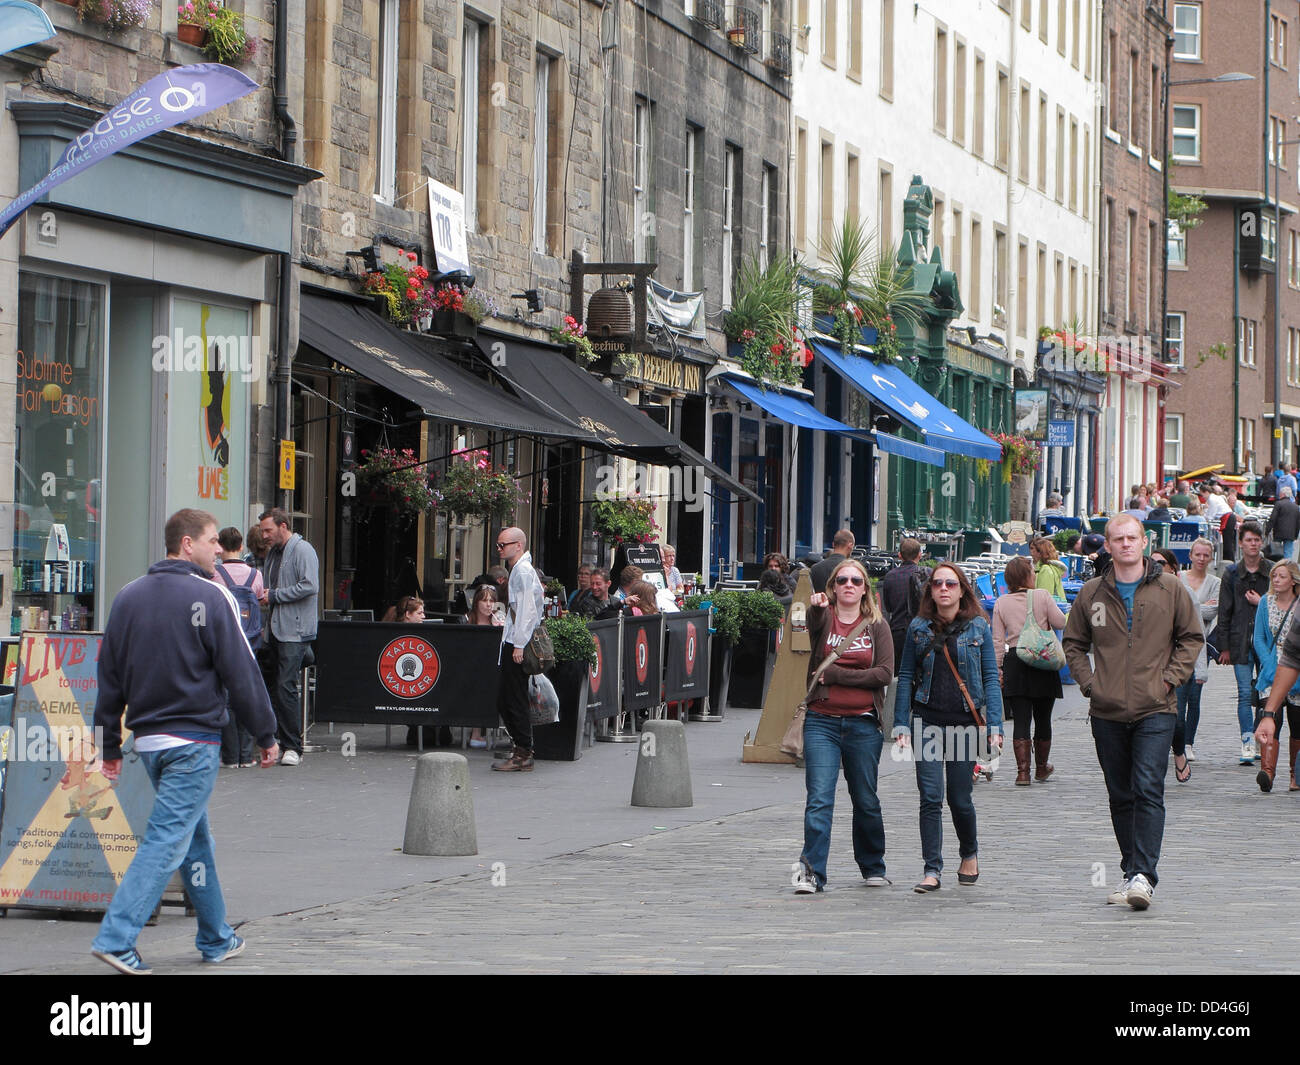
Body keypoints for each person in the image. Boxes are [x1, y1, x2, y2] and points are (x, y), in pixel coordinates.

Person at [90, 508, 278, 974]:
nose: (219, 548)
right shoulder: (212, 597)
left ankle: (216, 937)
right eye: (212, 540)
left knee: (194, 840)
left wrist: (109, 746)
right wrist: (267, 734)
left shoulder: (127, 597)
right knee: (167, 840)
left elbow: (109, 677)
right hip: (193, 742)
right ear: (186, 544)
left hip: (151, 744)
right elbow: (241, 670)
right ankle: (117, 938)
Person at [1062, 514, 1203, 911]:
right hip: (1106, 709)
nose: (1125, 544)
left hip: (1156, 706)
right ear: (1107, 546)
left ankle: (1144, 875)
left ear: (1144, 542)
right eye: (1117, 539)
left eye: (1131, 538)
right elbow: (1073, 643)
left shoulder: (1169, 588)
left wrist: (1170, 679)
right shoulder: (1092, 592)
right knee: (1120, 793)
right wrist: (1090, 684)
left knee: (1147, 787)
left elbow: (1191, 637)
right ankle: (1131, 871)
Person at [893, 564, 1003, 893]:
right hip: (927, 721)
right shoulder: (918, 628)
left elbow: (989, 679)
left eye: (950, 584)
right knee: (930, 797)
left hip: (963, 724)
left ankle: (969, 853)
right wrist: (901, 722)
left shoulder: (978, 628)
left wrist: (994, 724)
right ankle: (931, 869)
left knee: (959, 798)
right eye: (937, 583)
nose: (943, 588)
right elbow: (906, 678)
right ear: (930, 591)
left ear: (961, 590)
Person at [792, 558, 895, 894]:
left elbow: (883, 674)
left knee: (865, 798)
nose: (849, 585)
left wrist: (837, 676)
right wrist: (817, 607)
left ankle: (872, 865)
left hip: (864, 723)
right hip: (821, 721)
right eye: (842, 580)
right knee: (819, 799)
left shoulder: (877, 625)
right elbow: (813, 621)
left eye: (856, 580)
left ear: (865, 588)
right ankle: (811, 872)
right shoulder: (825, 618)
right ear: (833, 587)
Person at [992, 556, 1067, 787]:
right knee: (1043, 719)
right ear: (1027, 576)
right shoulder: (1042, 596)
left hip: (1016, 661)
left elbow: (997, 640)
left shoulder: (1000, 603)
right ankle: (1041, 768)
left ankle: (1022, 772)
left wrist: (998, 669)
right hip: (1042, 660)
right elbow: (1060, 623)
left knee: (1021, 720)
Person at [257, 507, 319, 767]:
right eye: (262, 532)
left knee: (285, 686)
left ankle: (293, 746)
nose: (264, 536)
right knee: (272, 685)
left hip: (294, 630)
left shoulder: (303, 550)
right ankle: (276, 741)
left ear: (283, 526)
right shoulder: (273, 553)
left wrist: (274, 595)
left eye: (268, 530)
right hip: (275, 630)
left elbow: (310, 585)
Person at [1219, 520, 1272, 764]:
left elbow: (1280, 605)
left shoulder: (1271, 571)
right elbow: (1224, 611)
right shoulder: (1231, 574)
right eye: (1248, 540)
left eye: (1256, 540)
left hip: (1266, 644)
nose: (1253, 544)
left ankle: (1261, 739)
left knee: (1264, 694)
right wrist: (1225, 647)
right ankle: (1247, 741)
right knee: (1243, 694)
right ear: (1241, 543)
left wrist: (1260, 601)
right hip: (1239, 641)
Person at [211, 527, 265, 769]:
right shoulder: (256, 575)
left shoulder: (214, 574)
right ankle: (247, 755)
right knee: (246, 695)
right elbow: (260, 601)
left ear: (219, 547)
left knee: (227, 698)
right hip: (250, 643)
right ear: (241, 546)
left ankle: (230, 756)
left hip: (224, 642)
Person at [491, 526, 544, 772]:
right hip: (513, 639)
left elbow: (526, 610)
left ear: (518, 545)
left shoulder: (522, 571)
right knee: (508, 698)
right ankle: (522, 749)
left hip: (516, 641)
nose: (499, 549)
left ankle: (523, 751)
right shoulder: (521, 570)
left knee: (513, 698)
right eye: (499, 544)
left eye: (503, 545)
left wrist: (519, 644)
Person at [1251, 560, 1300, 792]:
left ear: (1293, 580)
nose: (1276, 580)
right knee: (1272, 717)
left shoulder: (1299, 604)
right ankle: (1267, 772)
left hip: (1296, 666)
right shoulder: (1265, 602)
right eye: (1274, 576)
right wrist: (1269, 664)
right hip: (1272, 666)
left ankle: (1295, 774)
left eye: (1281, 576)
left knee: (1297, 723)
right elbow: (1258, 638)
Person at [1176, 538, 1219, 766]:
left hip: (1201, 648)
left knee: (1195, 696)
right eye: (1198, 554)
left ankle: (1189, 742)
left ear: (1211, 557)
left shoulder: (1215, 582)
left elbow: (1213, 612)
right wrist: (1198, 608)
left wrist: (1190, 606)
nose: (1201, 559)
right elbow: (1177, 608)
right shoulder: (1179, 578)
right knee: (1179, 696)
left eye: (1206, 555)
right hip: (1179, 645)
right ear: (1190, 556)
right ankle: (1178, 743)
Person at [464, 584, 504, 749]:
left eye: (492, 601)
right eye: (484, 600)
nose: (488, 605)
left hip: (494, 668)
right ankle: (476, 733)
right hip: (471, 669)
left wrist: (502, 628)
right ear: (476, 603)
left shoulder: (498, 620)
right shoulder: (467, 620)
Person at [1266, 485, 1300, 561]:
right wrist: (1295, 535)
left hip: (1278, 533)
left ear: (1283, 494)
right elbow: (1298, 522)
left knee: (1276, 553)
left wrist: (1267, 531)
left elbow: (1272, 519)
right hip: (1290, 533)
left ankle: (1277, 567)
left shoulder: (1278, 504)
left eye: (1280, 493)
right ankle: (1287, 569)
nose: (1279, 494)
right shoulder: (1296, 507)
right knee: (1288, 553)